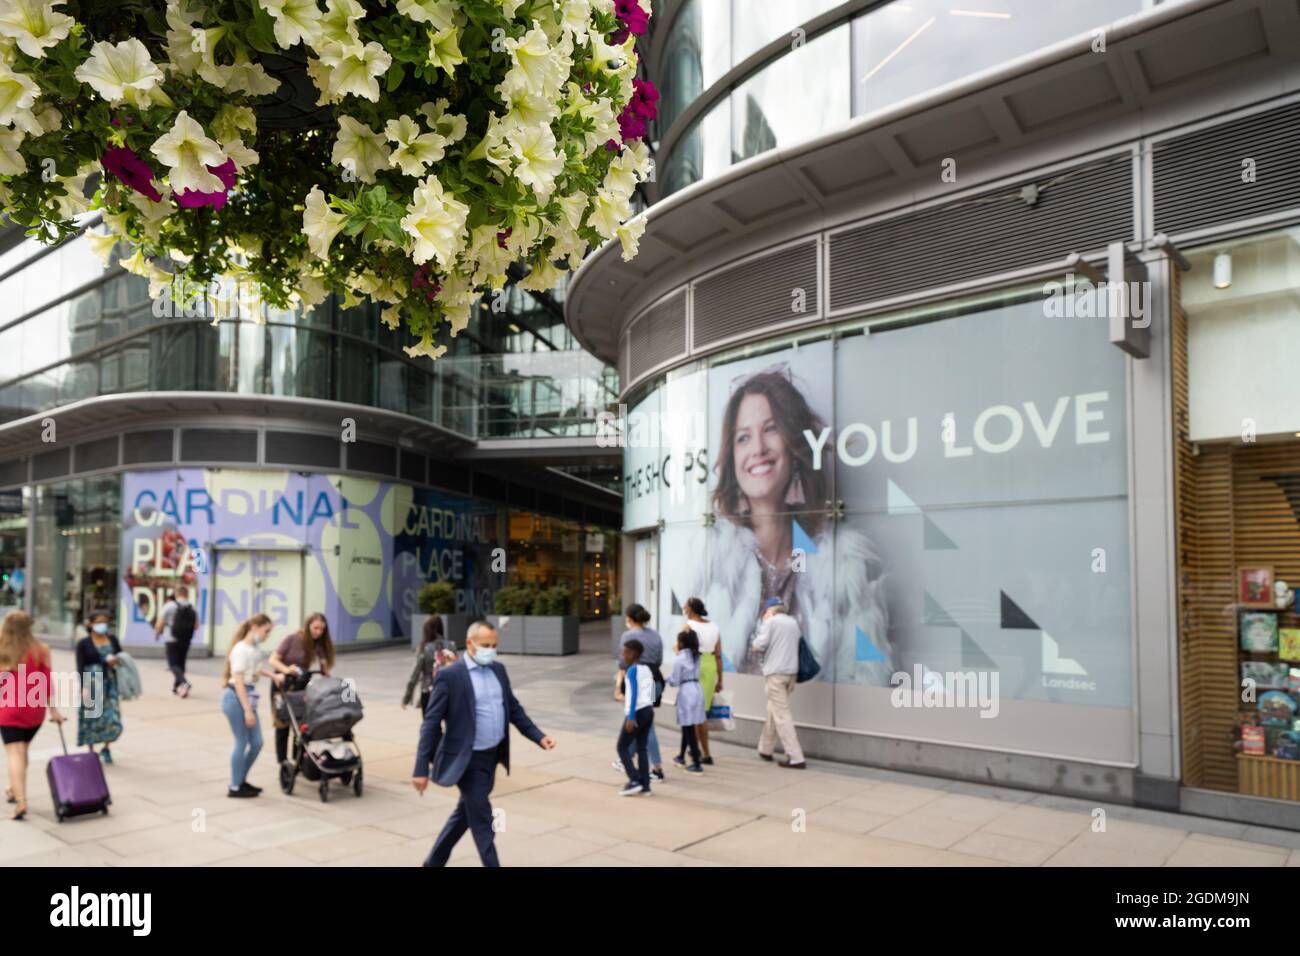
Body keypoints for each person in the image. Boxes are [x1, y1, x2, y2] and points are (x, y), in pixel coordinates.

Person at [702, 367, 892, 684]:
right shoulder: (709, 565)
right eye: (743, 437)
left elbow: (869, 676)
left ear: (794, 443)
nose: (758, 448)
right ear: (732, 457)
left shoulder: (844, 568)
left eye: (771, 429)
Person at [411, 621, 556, 867]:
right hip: (467, 760)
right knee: (483, 821)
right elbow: (430, 724)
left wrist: (539, 736)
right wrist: (420, 768)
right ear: (470, 644)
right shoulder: (450, 676)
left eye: (494, 645)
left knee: (465, 813)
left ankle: (433, 862)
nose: (491, 650)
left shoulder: (498, 670)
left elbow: (513, 709)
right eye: (485, 645)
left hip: (491, 756)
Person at [0, 611, 64, 820]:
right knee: (23, 750)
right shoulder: (42, 649)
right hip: (34, 711)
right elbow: (47, 682)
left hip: (9, 708)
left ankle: (21, 800)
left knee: (14, 753)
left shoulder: (3, 649)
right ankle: (14, 789)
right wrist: (53, 710)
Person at [220, 613, 282, 798]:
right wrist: (248, 710)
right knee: (241, 742)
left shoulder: (253, 648)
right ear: (254, 627)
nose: (267, 636)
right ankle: (235, 786)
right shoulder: (240, 649)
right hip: (236, 697)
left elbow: (255, 670)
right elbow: (239, 680)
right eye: (266, 631)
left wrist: (274, 676)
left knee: (257, 742)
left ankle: (240, 780)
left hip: (246, 696)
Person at [268, 612, 335, 766]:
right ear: (308, 625)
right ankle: (282, 761)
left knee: (300, 724)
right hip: (282, 684)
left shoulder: (317, 644)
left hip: (301, 685)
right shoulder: (292, 638)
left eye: (322, 629)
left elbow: (324, 664)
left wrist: (326, 671)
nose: (318, 632)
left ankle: (297, 758)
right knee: (282, 723)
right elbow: (273, 660)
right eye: (316, 628)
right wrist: (287, 670)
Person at [752, 598, 806, 769]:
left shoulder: (771, 622)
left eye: (766, 611)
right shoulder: (793, 622)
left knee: (782, 715)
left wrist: (764, 624)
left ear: (770, 610)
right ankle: (765, 749)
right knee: (773, 710)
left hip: (776, 673)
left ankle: (796, 757)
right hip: (791, 673)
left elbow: (758, 645)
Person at [614, 603, 664, 781]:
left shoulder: (628, 636)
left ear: (629, 618)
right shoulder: (655, 635)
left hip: (639, 680)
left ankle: (657, 768)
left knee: (645, 723)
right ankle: (627, 756)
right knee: (644, 719)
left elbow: (622, 663)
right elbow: (659, 660)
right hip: (655, 680)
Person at [75, 613, 123, 764]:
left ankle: (106, 748)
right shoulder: (83, 643)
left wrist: (116, 660)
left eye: (105, 622)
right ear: (90, 624)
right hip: (92, 682)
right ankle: (91, 750)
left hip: (110, 683)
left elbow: (120, 656)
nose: (102, 624)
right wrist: (83, 687)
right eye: (99, 622)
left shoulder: (113, 639)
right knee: (92, 717)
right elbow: (80, 666)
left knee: (112, 717)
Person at [683, 597, 722, 765]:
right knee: (702, 711)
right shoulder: (714, 626)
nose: (683, 608)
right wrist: (720, 680)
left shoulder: (689, 626)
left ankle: (700, 752)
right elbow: (718, 655)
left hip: (695, 665)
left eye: (685, 606)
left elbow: (681, 650)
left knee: (695, 713)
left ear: (691, 609)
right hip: (710, 666)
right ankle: (700, 751)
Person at [616, 638, 655, 796]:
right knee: (642, 748)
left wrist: (631, 717)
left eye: (625, 653)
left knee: (622, 747)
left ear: (632, 654)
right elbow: (652, 692)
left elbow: (633, 694)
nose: (623, 656)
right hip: (648, 710)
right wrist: (649, 708)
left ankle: (634, 779)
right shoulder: (647, 669)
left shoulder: (632, 670)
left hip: (636, 712)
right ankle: (646, 785)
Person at [666, 626, 706, 774]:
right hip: (697, 689)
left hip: (687, 692)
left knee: (688, 728)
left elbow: (675, 681)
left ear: (681, 643)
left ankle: (696, 763)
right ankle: (681, 756)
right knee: (687, 725)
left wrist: (666, 679)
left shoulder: (680, 658)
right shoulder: (697, 656)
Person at [402, 615, 457, 714]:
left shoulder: (424, 648)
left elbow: (415, 675)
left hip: (428, 691)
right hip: (449, 691)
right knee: (450, 722)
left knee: (430, 722)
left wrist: (407, 698)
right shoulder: (451, 645)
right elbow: (457, 670)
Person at [154, 584, 197, 697]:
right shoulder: (192, 607)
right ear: (187, 594)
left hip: (171, 638)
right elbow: (196, 626)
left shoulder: (169, 606)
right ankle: (177, 688)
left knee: (173, 664)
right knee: (181, 664)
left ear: (176, 594)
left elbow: (160, 622)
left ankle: (184, 683)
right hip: (186, 639)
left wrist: (157, 633)